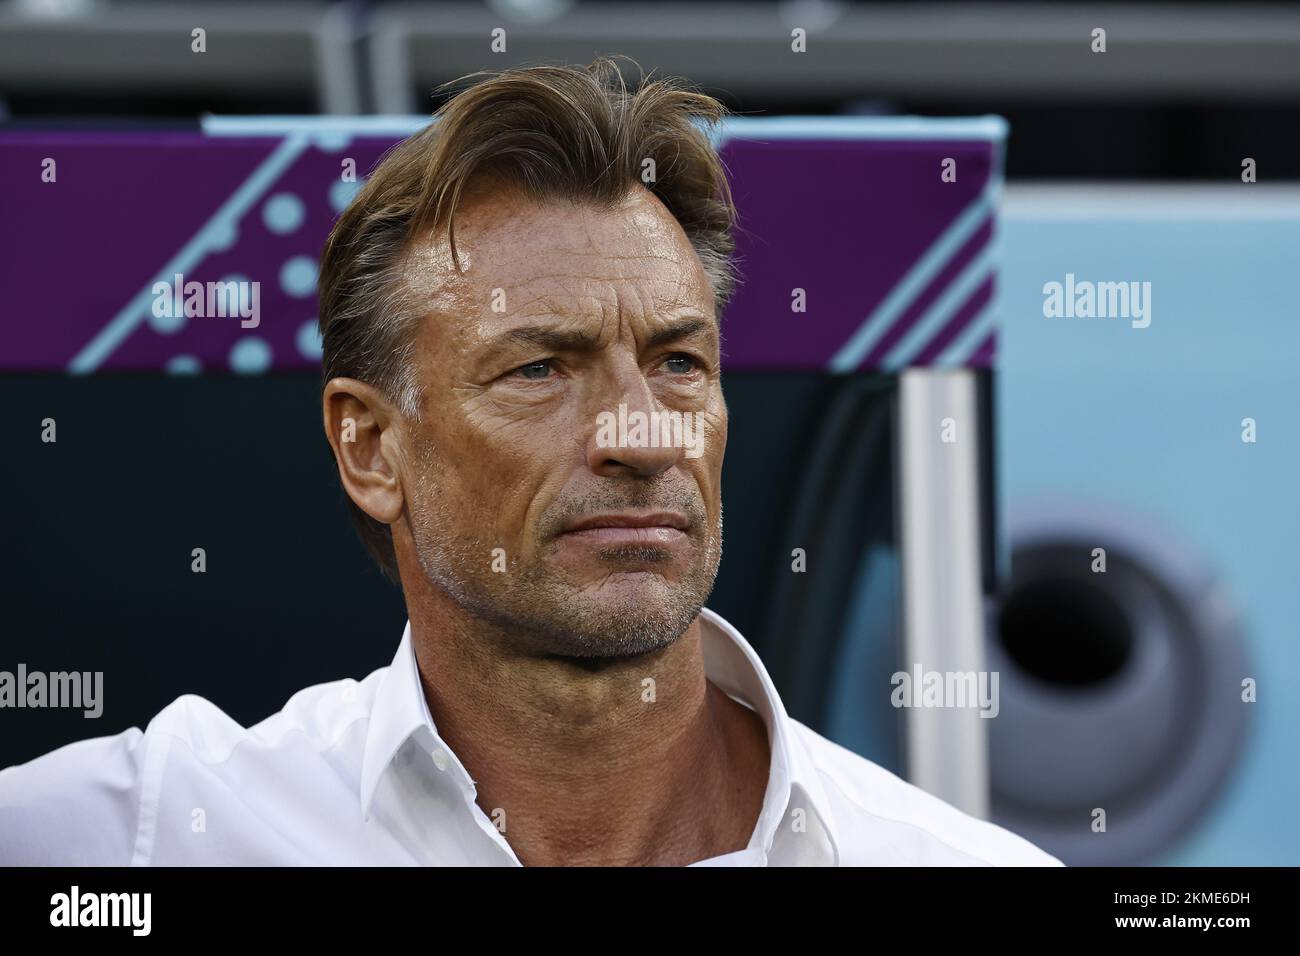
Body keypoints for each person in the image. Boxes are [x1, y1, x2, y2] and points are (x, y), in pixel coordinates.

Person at [0, 60, 1060, 867]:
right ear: (370, 448)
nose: (641, 435)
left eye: (678, 362)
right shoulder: (154, 831)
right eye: (542, 367)